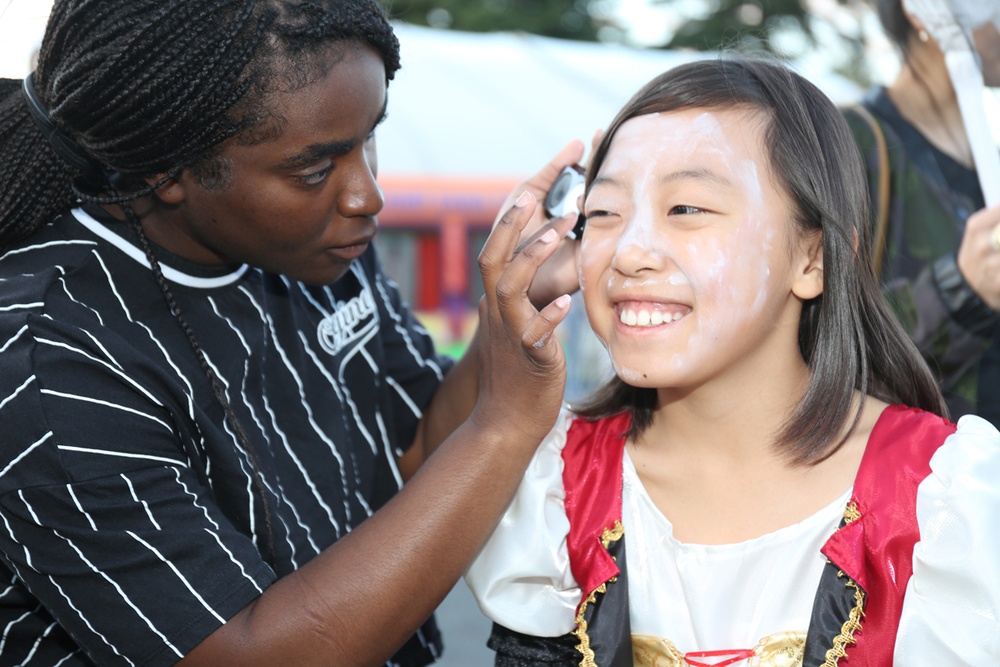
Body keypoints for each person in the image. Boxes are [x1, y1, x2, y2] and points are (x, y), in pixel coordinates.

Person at [0, 1, 585, 665]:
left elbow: (418, 453)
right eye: (316, 168)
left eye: (369, 139)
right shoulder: (49, 352)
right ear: (166, 169)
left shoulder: (318, 246)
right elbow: (245, 654)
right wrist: (503, 425)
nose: (367, 195)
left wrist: (512, 304)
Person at [463, 57, 1000, 666]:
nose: (630, 251)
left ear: (814, 258)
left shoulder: (945, 500)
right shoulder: (552, 491)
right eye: (603, 214)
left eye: (687, 209)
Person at [843, 0, 1000, 424]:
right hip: (934, 478)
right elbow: (827, 349)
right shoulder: (847, 144)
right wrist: (964, 288)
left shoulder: (990, 157)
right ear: (924, 10)